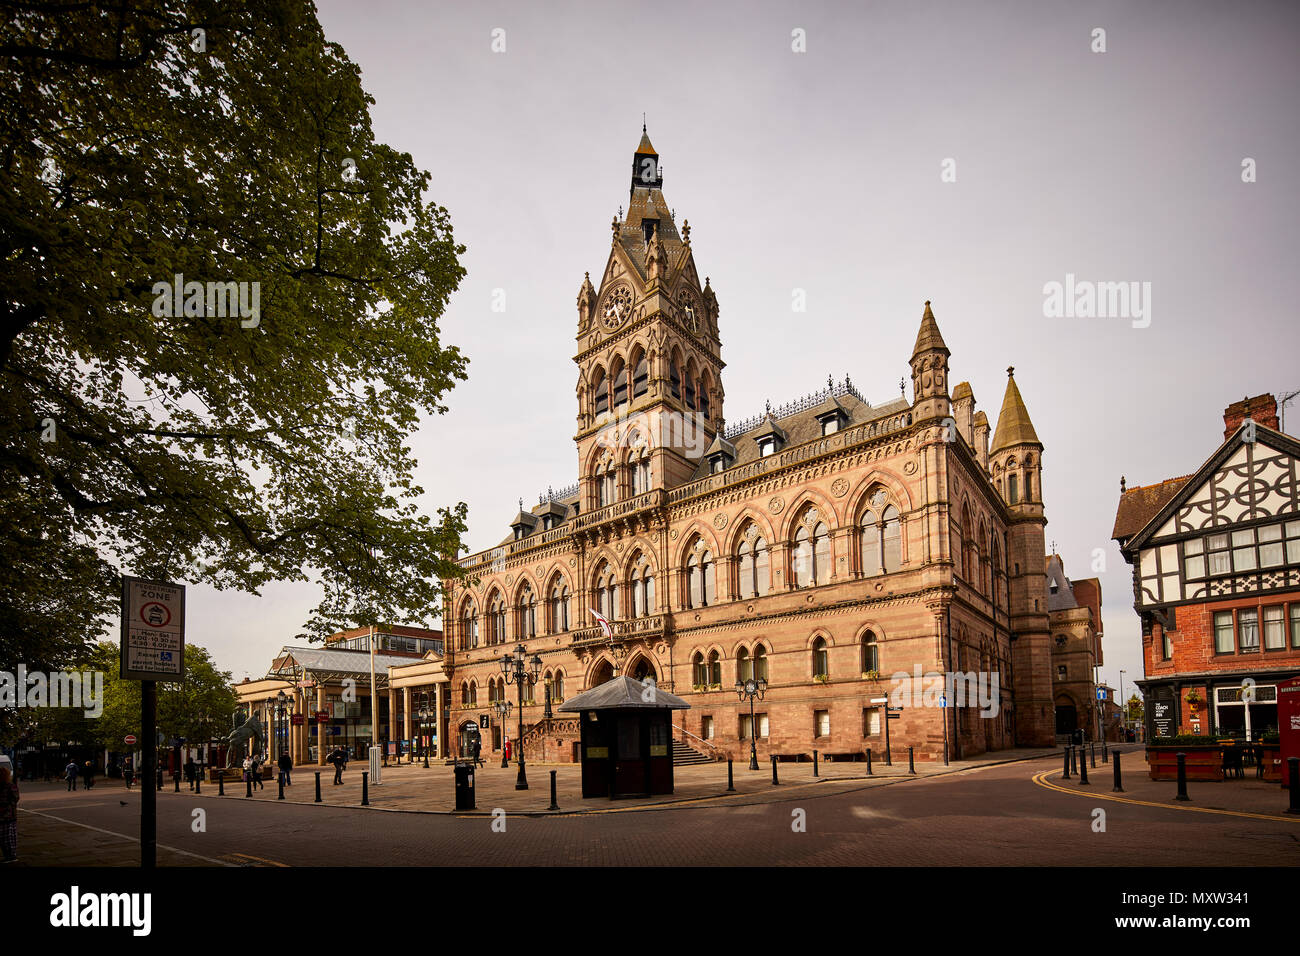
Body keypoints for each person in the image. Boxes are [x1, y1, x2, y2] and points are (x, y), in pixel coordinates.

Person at [0, 767, 19, 863]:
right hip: (6, 815)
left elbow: (15, 799)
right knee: (5, 837)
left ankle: (11, 856)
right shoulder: (8, 785)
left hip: (8, 815)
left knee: (8, 837)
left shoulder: (10, 786)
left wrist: (6, 805)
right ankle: (9, 855)